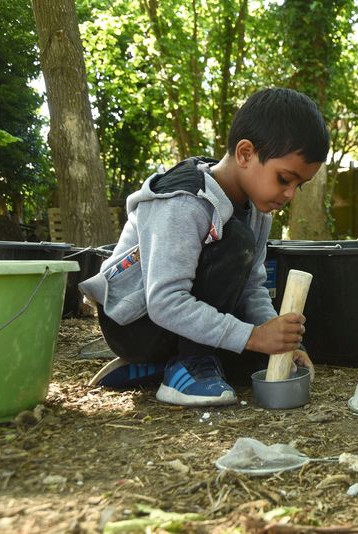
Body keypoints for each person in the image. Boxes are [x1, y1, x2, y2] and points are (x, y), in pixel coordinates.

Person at [80, 88, 329, 407]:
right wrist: (254, 337)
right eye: (284, 179)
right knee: (234, 243)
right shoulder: (185, 202)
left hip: (174, 323)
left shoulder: (256, 209)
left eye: (299, 185)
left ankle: (158, 368)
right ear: (245, 154)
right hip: (137, 325)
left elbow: (251, 287)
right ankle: (189, 364)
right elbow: (164, 301)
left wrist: (276, 338)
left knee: (254, 364)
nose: (291, 195)